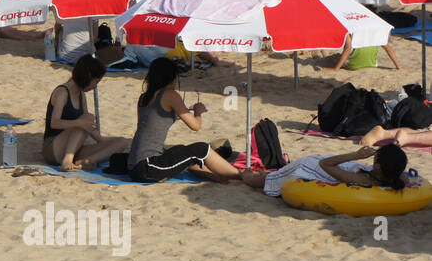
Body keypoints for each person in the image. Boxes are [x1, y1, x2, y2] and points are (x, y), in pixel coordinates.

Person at [127, 57, 250, 183]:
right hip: (148, 168)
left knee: (179, 150)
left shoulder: (144, 97)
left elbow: (150, 123)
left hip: (133, 167)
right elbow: (196, 126)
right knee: (201, 149)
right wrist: (198, 111)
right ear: (172, 77)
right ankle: (241, 176)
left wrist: (181, 113)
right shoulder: (170, 95)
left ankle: (216, 175)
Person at [42, 56, 130, 171]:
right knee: (87, 118)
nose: (95, 86)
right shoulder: (62, 92)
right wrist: (80, 123)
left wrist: (101, 140)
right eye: (96, 81)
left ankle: (87, 161)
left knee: (122, 142)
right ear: (88, 77)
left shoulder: (80, 94)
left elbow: (87, 126)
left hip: (73, 148)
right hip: (53, 148)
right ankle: (67, 160)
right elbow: (54, 123)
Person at [246, 145, 409, 197]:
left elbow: (325, 165)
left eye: (375, 157)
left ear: (379, 166)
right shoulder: (396, 177)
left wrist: (356, 155)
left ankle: (239, 173)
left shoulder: (365, 181)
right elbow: (403, 175)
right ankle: (262, 172)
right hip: (318, 164)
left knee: (256, 180)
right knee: (271, 174)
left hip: (309, 168)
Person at [331, 34, 402, 71]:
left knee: (334, 57)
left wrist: (336, 69)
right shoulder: (374, 32)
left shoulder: (349, 32)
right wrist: (399, 67)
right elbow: (388, 48)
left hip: (353, 65)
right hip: (372, 64)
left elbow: (348, 49)